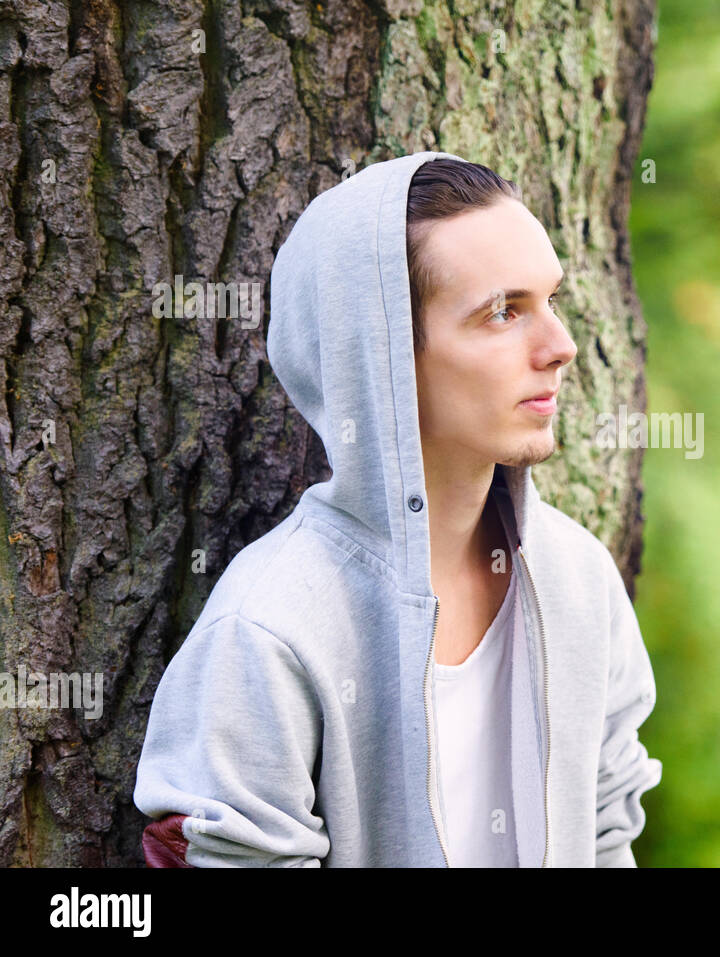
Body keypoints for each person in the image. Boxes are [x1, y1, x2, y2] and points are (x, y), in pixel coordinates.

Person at [132, 151, 663, 867]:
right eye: (503, 312)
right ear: (381, 356)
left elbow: (606, 836)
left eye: (551, 301)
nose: (561, 347)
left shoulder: (580, 581)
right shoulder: (268, 628)